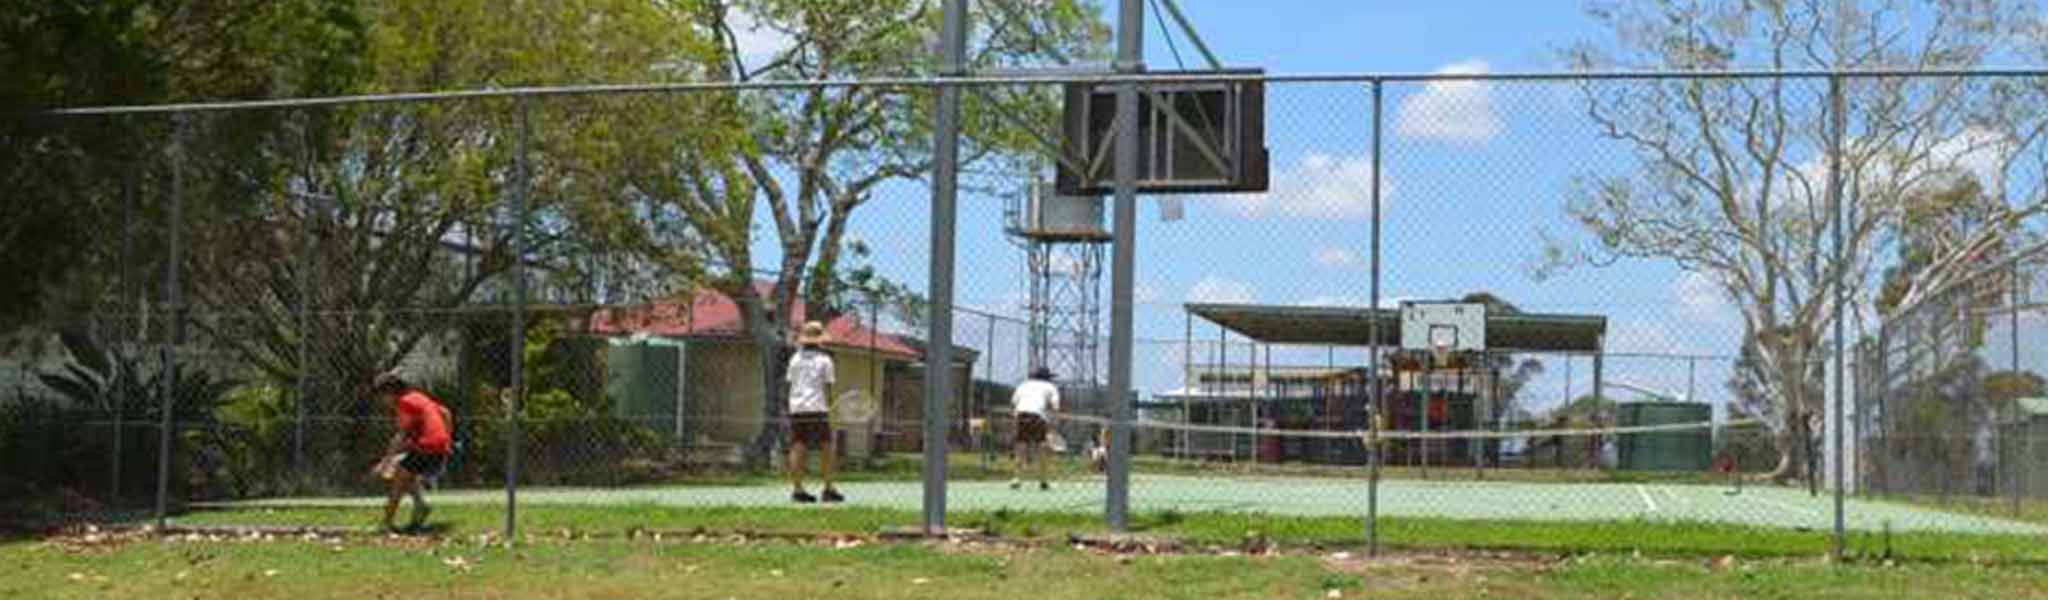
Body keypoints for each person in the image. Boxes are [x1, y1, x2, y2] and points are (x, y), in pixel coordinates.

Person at [368, 369, 452, 533]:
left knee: (398, 479)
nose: (381, 401)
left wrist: (384, 463)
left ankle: (386, 523)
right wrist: (446, 439)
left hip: (427, 447)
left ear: (390, 392)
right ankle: (421, 504)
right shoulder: (418, 397)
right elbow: (445, 413)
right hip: (437, 447)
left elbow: (401, 435)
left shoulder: (404, 403)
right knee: (405, 471)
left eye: (381, 396)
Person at [786, 321, 842, 503]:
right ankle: (828, 487)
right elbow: (828, 387)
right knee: (827, 446)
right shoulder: (825, 360)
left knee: (798, 445)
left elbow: (790, 382)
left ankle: (798, 489)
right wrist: (831, 406)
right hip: (817, 408)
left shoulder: (794, 359)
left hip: (797, 408)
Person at [1010, 366, 1061, 490]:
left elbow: (1014, 402)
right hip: (1037, 417)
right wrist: (1053, 424)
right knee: (1041, 448)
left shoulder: (1023, 385)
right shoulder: (1050, 387)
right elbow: (1055, 407)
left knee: (1020, 447)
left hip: (1021, 415)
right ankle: (1043, 480)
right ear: (1047, 378)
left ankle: (1016, 478)